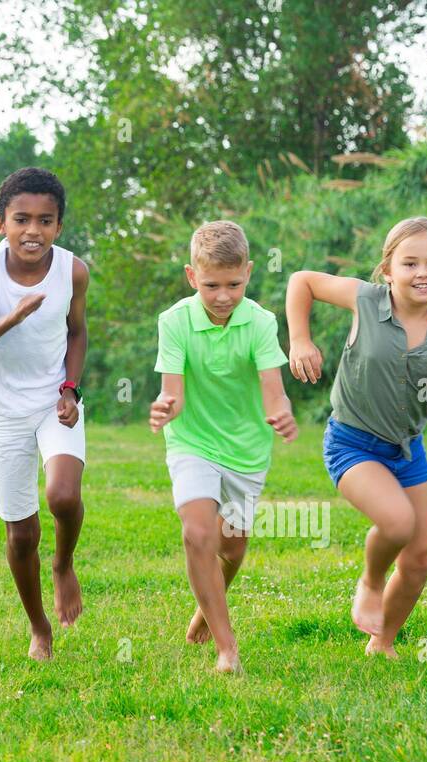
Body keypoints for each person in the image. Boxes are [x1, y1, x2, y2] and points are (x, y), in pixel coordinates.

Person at [285, 217, 427, 658]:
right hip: (352, 443)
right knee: (397, 523)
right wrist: (300, 339)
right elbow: (302, 281)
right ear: (388, 270)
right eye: (409, 263)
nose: (422, 273)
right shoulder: (366, 300)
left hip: (407, 451)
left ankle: (382, 643)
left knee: (420, 556)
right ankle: (370, 585)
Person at [0, 167, 89, 660]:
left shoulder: (73, 270)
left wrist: (71, 390)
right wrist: (10, 317)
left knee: (63, 495)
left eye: (46, 220)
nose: (33, 230)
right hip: (4, 412)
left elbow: (77, 333)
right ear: (1, 224)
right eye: (22, 219)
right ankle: (39, 628)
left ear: (58, 226)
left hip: (55, 402)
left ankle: (63, 564)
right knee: (21, 532)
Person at [149, 220, 297, 674]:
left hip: (246, 451)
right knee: (198, 533)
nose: (222, 296)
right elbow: (172, 390)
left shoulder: (260, 322)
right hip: (192, 442)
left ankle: (204, 608)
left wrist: (281, 412)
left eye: (233, 284)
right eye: (211, 285)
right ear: (192, 277)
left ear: (248, 273)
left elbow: (273, 388)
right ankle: (226, 646)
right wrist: (164, 407)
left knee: (231, 550)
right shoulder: (174, 321)